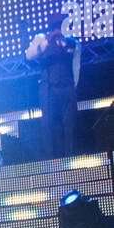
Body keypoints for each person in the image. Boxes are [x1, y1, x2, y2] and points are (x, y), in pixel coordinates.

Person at [25, 10, 77, 158]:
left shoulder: (70, 40)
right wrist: (48, 41)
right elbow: (29, 55)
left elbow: (76, 59)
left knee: (69, 124)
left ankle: (70, 156)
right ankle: (50, 158)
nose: (58, 28)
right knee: (47, 124)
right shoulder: (41, 39)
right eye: (55, 25)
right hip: (48, 87)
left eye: (60, 25)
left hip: (67, 86)